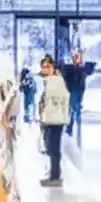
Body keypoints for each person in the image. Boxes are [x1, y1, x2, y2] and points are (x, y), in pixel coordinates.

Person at [38, 56, 70, 187]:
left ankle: (55, 176)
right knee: (49, 147)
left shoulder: (56, 81)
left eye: (48, 67)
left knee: (53, 148)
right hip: (47, 119)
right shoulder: (45, 81)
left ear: (53, 67)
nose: (45, 69)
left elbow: (61, 99)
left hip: (55, 120)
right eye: (43, 67)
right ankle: (52, 174)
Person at [61, 50, 88, 136]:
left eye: (78, 57)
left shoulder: (80, 69)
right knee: (73, 108)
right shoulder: (70, 68)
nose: (77, 59)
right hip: (73, 90)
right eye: (75, 57)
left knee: (74, 108)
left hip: (76, 90)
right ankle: (70, 127)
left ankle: (71, 127)